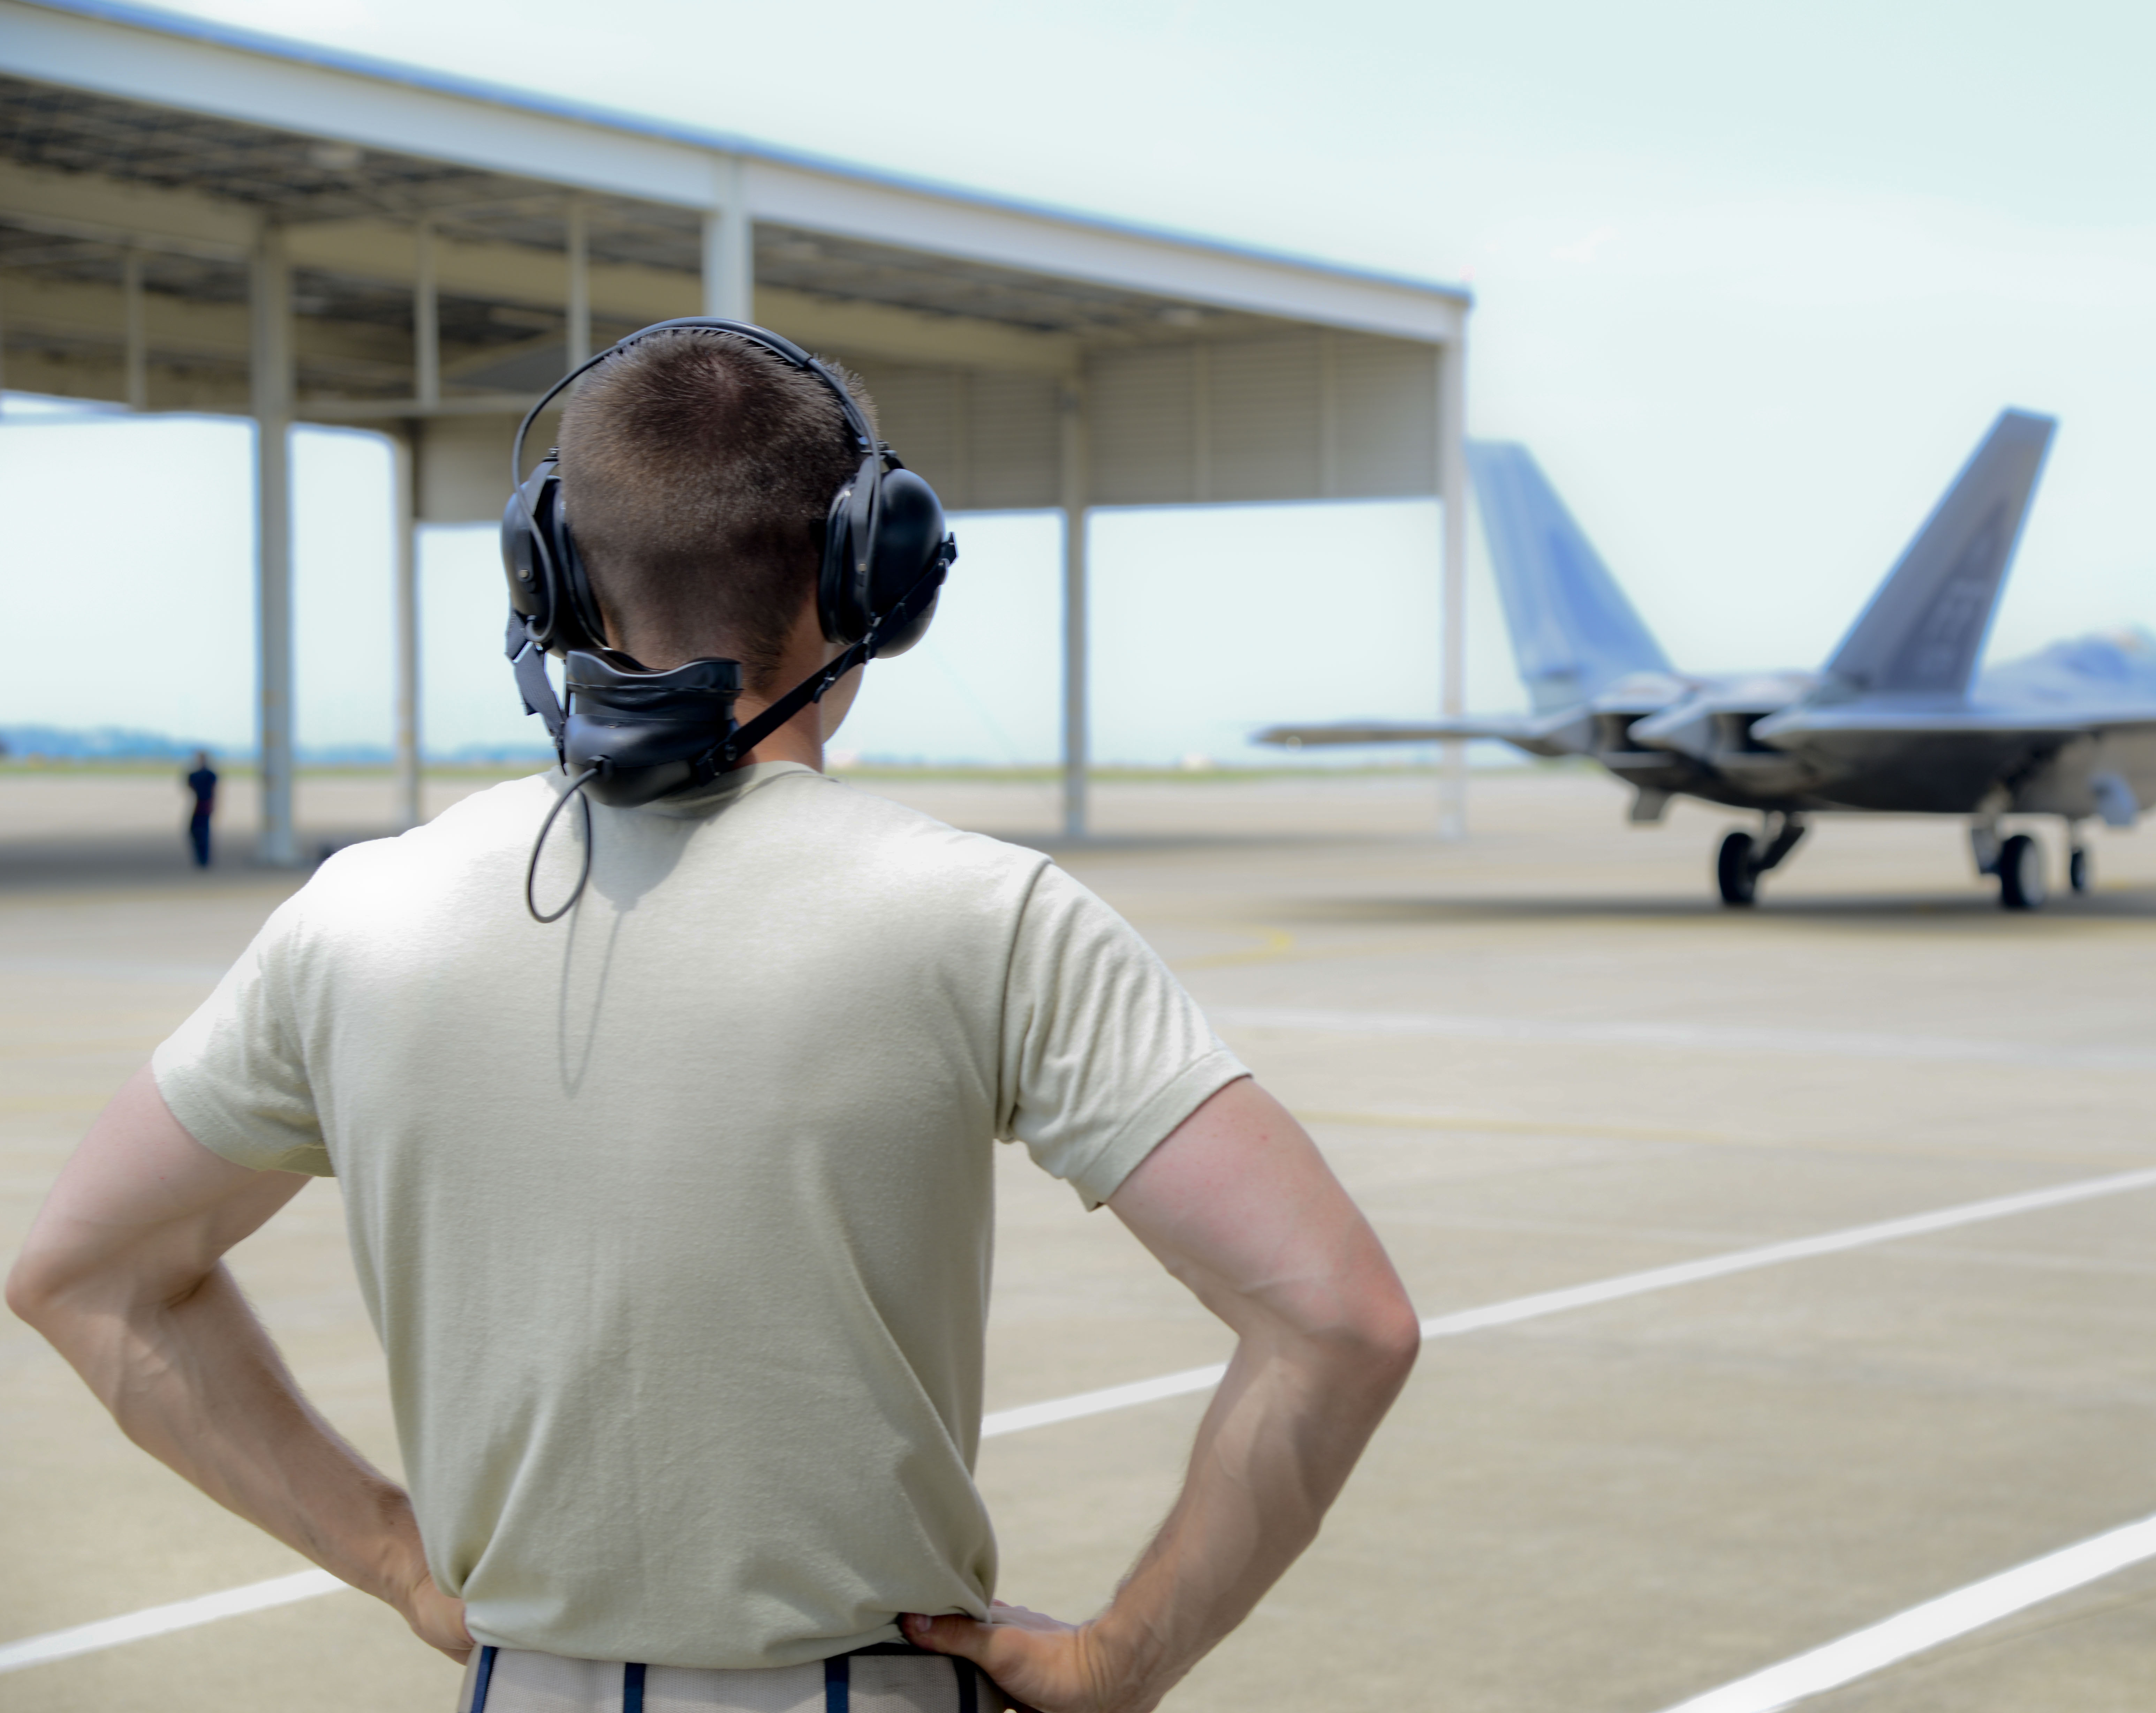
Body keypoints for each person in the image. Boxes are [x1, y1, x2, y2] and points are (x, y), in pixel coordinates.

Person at [9, 326, 1419, 1713]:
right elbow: (1340, 1321)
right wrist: (1122, 1660)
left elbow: (82, 1274)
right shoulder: (991, 916)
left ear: (549, 579)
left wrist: (393, 1554)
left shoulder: (355, 918)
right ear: (871, 575)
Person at [183, 748, 218, 867]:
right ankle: (202, 859)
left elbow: (212, 790)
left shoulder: (207, 775)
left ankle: (203, 859)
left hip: (204, 805)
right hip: (200, 804)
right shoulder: (205, 775)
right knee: (197, 831)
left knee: (201, 832)